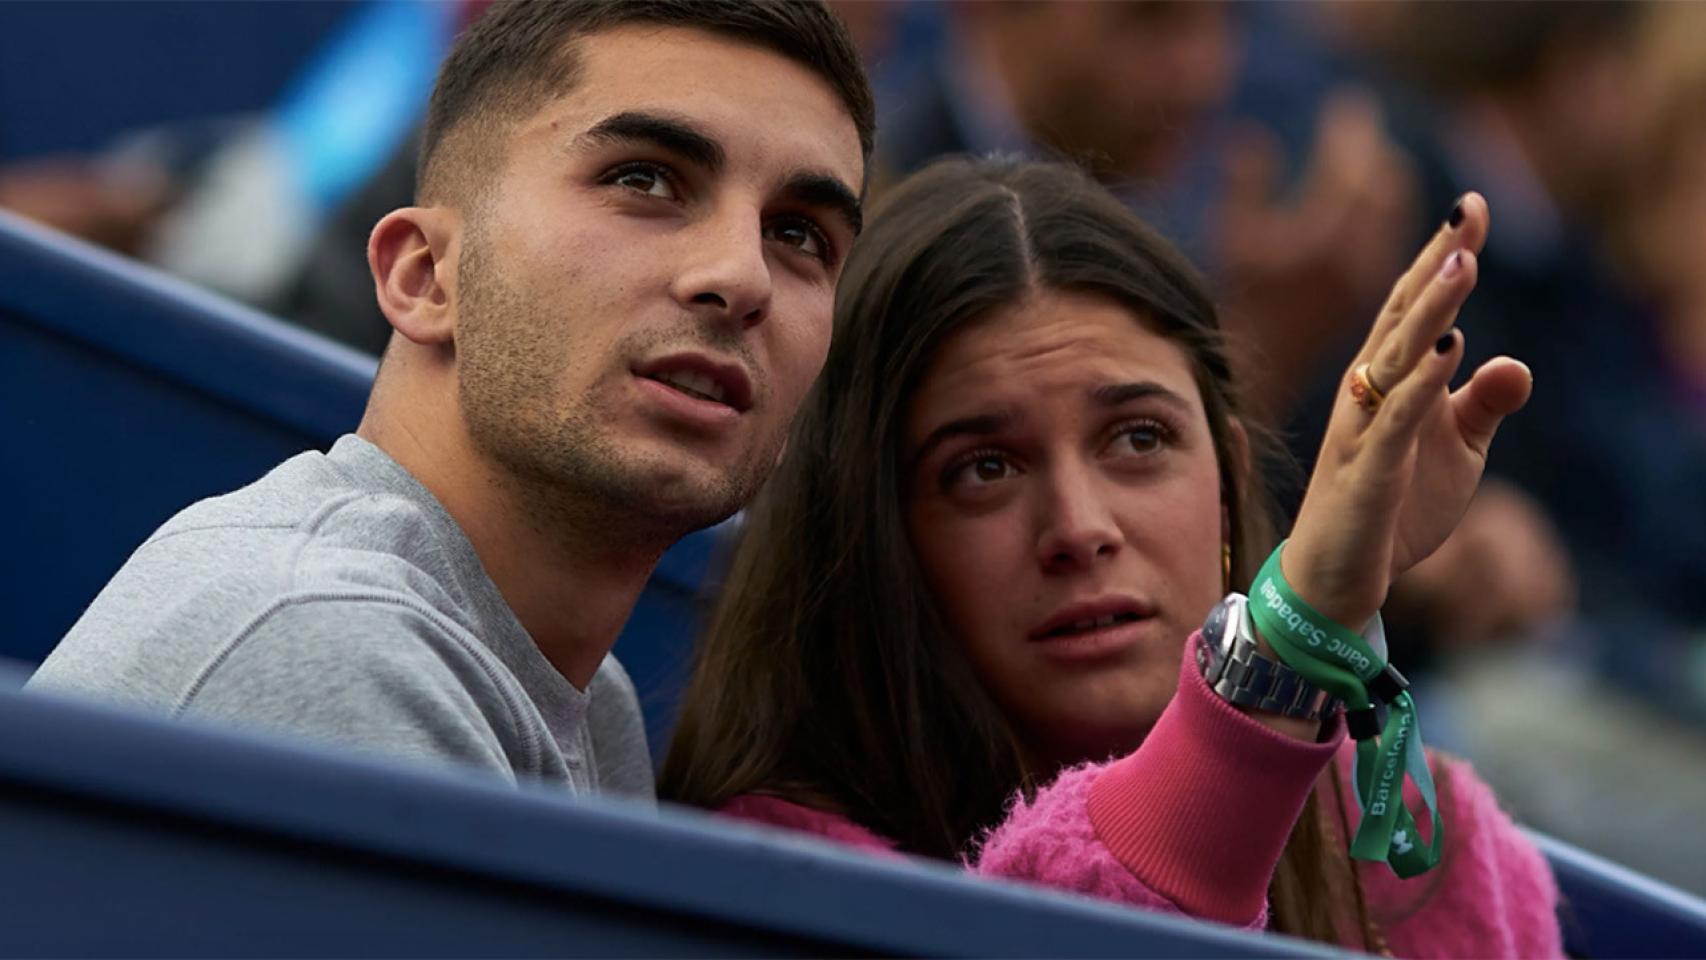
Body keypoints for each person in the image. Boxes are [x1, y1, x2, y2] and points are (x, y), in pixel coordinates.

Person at [659, 157, 1560, 955]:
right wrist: (1291, 643)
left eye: (1137, 439)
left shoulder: (1415, 844)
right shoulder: (786, 879)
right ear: (872, 534)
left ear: (1227, 472)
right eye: (983, 468)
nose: (1079, 527)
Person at [28, 0, 874, 800]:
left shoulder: (591, 702)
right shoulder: (330, 642)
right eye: (645, 180)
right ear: (425, 274)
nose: (741, 276)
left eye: (798, 234)